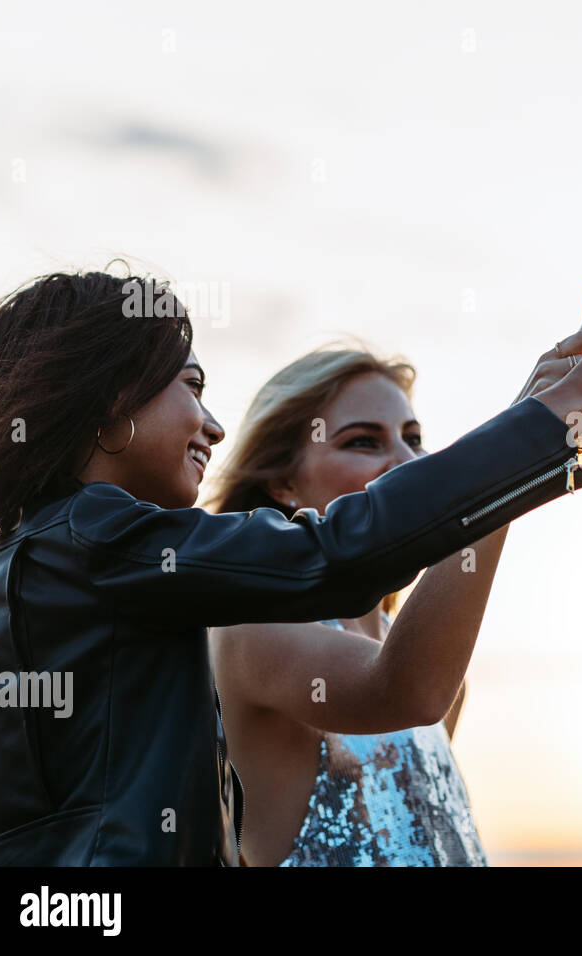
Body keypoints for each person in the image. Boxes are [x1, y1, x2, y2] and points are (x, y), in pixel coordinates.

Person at [0, 266, 582, 865]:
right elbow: (334, 559)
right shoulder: (93, 540)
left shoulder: (34, 563)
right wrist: (559, 413)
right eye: (190, 387)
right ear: (110, 400)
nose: (214, 425)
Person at [206, 347, 508, 865]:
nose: (409, 462)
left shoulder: (426, 659)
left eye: (413, 439)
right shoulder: (249, 627)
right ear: (283, 482)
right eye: (364, 441)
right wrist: (509, 462)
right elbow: (408, 690)